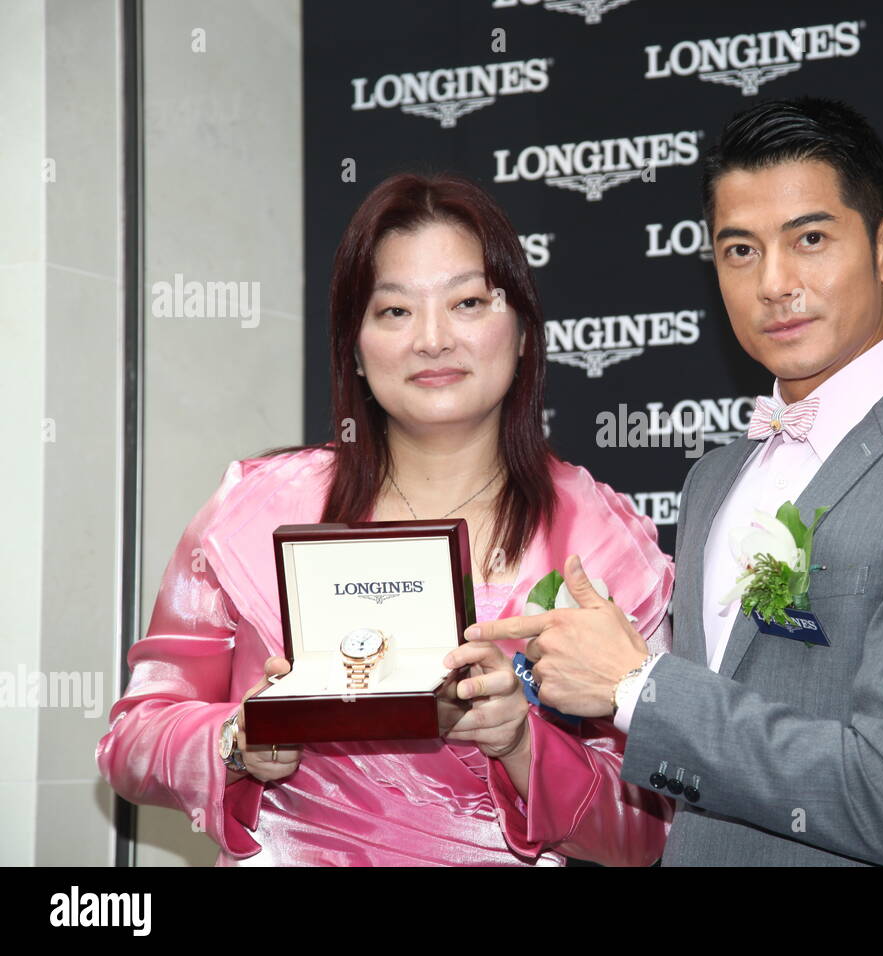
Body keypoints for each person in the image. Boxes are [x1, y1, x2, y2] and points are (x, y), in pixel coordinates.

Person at [470, 97, 883, 866]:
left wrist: (637, 686)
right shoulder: (713, 479)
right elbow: (686, 778)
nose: (774, 283)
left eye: (810, 239)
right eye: (739, 251)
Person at [96, 172, 675, 866]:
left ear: (523, 331)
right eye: (395, 311)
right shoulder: (255, 509)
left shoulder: (599, 543)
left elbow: (650, 829)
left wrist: (523, 745)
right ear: (357, 349)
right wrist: (238, 738)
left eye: (466, 302)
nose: (432, 340)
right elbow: (130, 743)